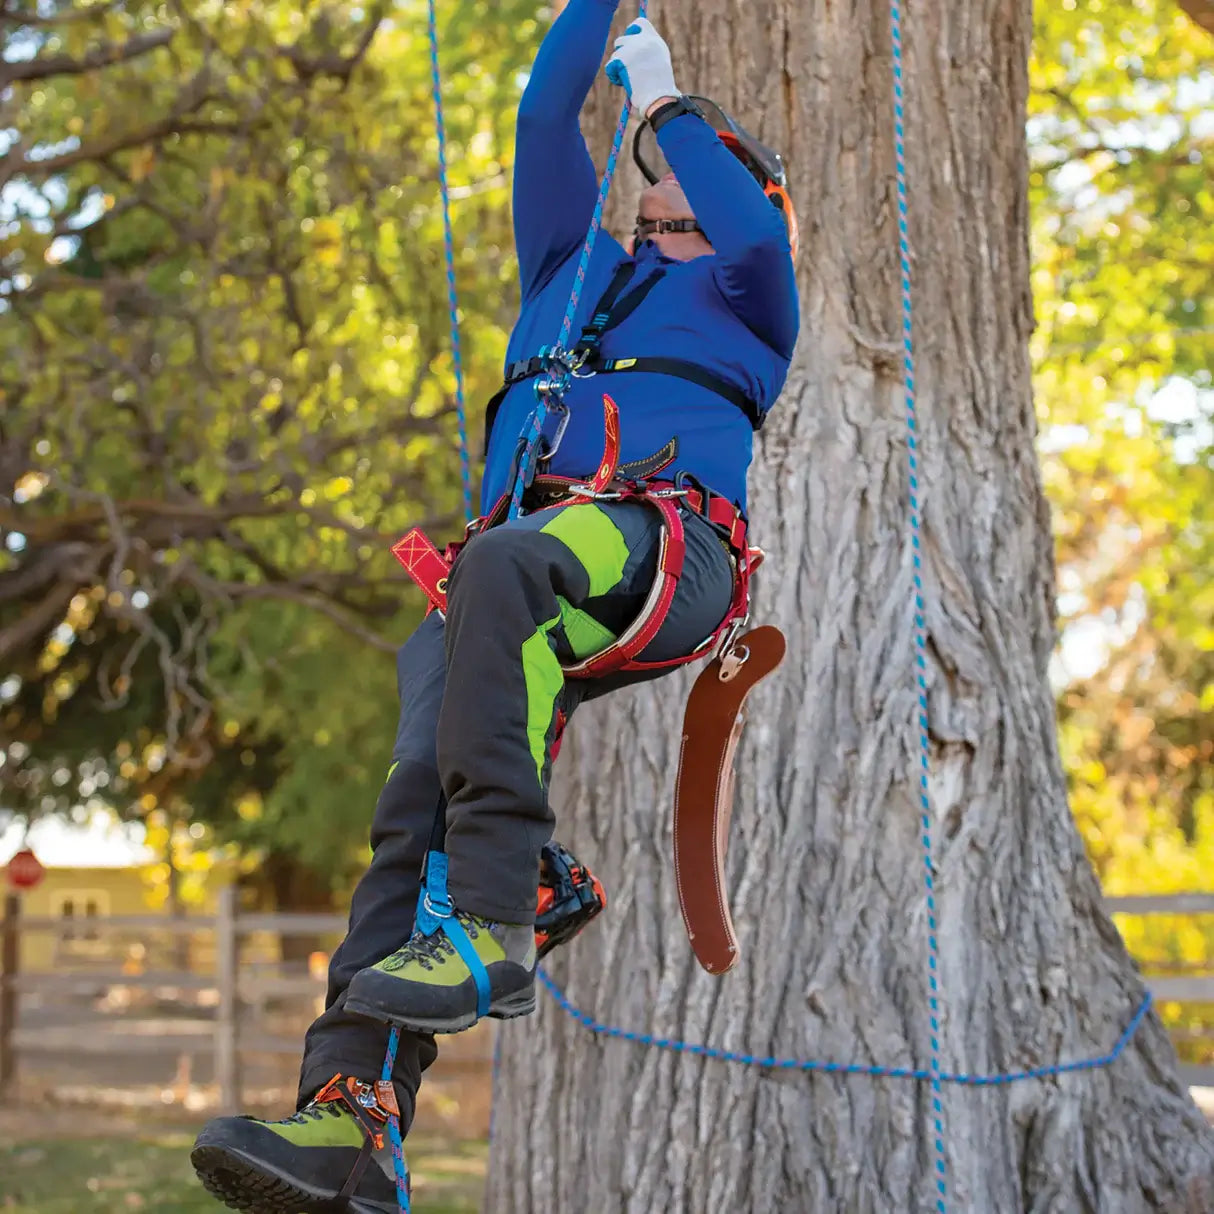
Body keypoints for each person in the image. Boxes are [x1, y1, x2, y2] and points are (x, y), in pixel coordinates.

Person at [190, 6, 799, 1211]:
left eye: (692, 161)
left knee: (512, 561)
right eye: (660, 158)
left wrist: (668, 100)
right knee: (414, 802)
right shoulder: (571, 271)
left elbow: (744, 223)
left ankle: (490, 913)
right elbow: (540, 112)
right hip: (510, 575)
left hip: (660, 544)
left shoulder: (750, 291)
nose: (662, 170)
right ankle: (351, 1121)